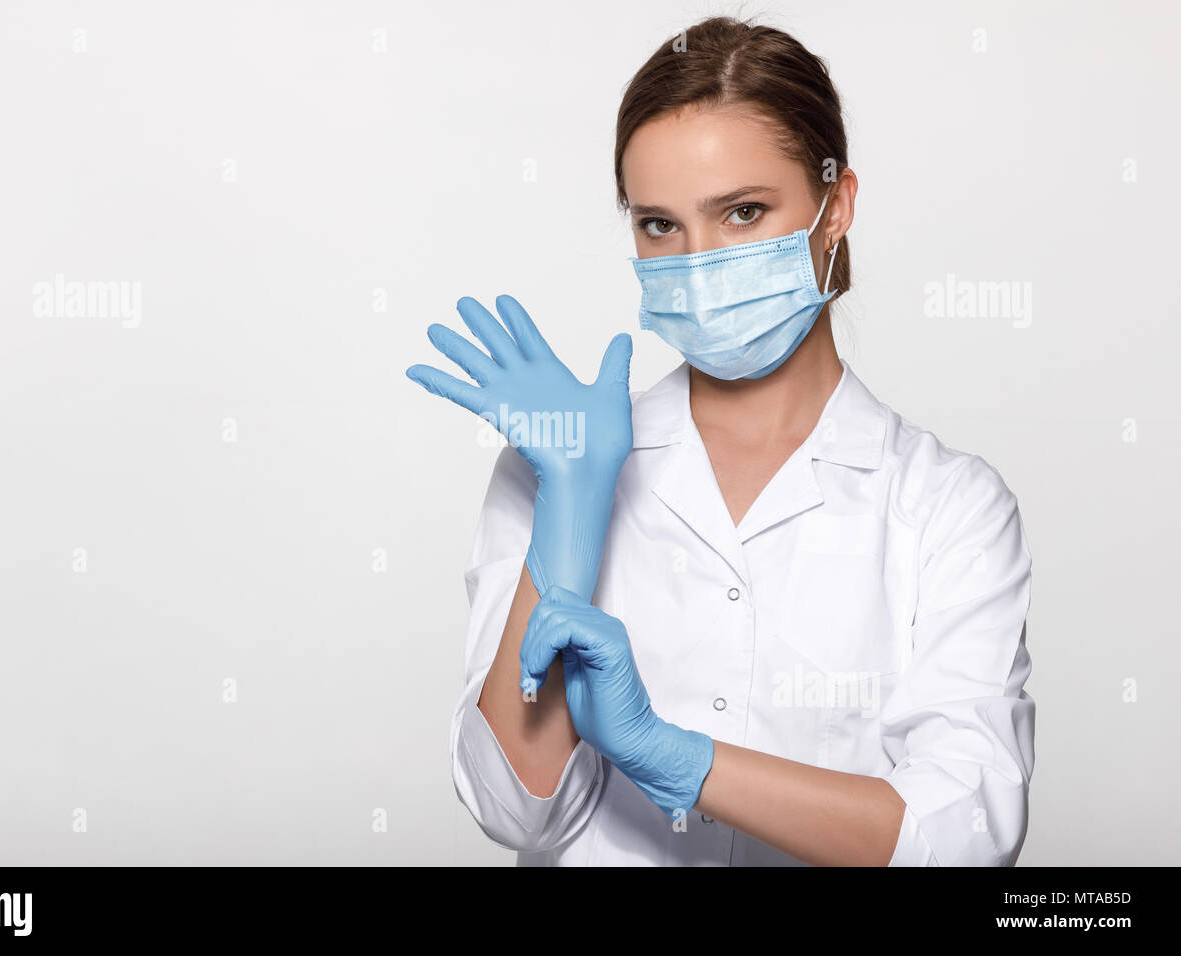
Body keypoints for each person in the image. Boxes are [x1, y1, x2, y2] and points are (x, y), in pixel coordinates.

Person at [406, 16, 1034, 866]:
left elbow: (965, 835)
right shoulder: (558, 464)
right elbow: (511, 811)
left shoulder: (947, 507)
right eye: (659, 226)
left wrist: (679, 759)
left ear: (835, 206)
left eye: (741, 212)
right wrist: (576, 504)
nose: (697, 263)